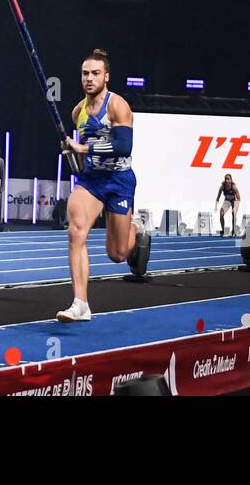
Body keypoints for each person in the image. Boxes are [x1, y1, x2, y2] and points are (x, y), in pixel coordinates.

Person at [57, 48, 145, 323]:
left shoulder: (117, 105)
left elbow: (123, 146)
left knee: (117, 255)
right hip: (92, 181)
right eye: (85, 74)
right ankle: (80, 303)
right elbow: (83, 155)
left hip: (119, 181)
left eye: (95, 73)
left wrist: (82, 148)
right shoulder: (78, 112)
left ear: (106, 76)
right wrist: (74, 154)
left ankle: (136, 228)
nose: (89, 78)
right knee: (75, 231)